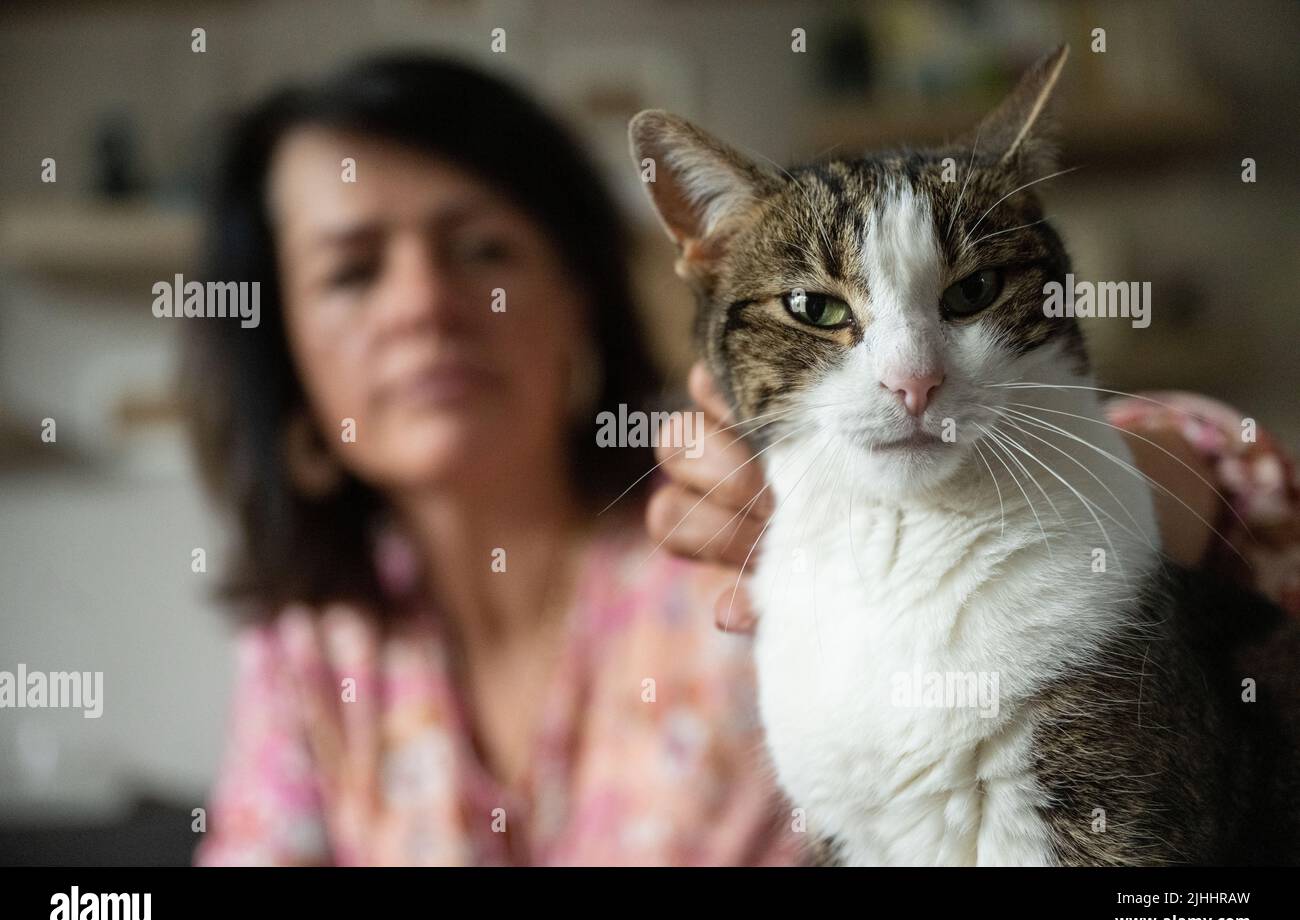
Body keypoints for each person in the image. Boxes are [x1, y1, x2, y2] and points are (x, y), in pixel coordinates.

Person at [187, 54, 1300, 866]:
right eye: (350, 269)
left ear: (578, 285)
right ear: (277, 331)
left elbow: (1230, 496)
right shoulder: (310, 640)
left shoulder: (736, 533)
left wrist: (1135, 485)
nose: (426, 306)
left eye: (477, 249)